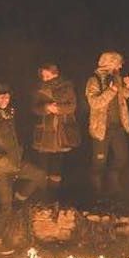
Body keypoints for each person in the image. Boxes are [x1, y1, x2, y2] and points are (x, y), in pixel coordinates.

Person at [0, 82, 44, 254]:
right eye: (1, 96)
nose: (6, 99)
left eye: (7, 95)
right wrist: (5, 161)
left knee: (39, 175)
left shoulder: (7, 114)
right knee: (5, 207)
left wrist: (17, 154)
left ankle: (19, 199)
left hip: (14, 163)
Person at [84, 51, 129, 199]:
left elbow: (124, 95)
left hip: (118, 127)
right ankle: (96, 192)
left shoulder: (116, 77)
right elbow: (95, 103)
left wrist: (128, 87)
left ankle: (113, 183)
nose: (121, 65)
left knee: (122, 156)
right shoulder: (94, 80)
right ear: (110, 63)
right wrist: (111, 91)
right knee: (99, 161)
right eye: (118, 62)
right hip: (101, 128)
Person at [29, 62, 79, 203]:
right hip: (45, 131)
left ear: (56, 74)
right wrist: (46, 107)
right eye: (43, 76)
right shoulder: (38, 89)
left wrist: (59, 109)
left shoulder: (66, 87)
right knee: (42, 163)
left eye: (48, 75)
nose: (45, 78)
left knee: (57, 163)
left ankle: (54, 196)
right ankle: (41, 196)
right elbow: (34, 108)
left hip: (60, 131)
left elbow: (72, 106)